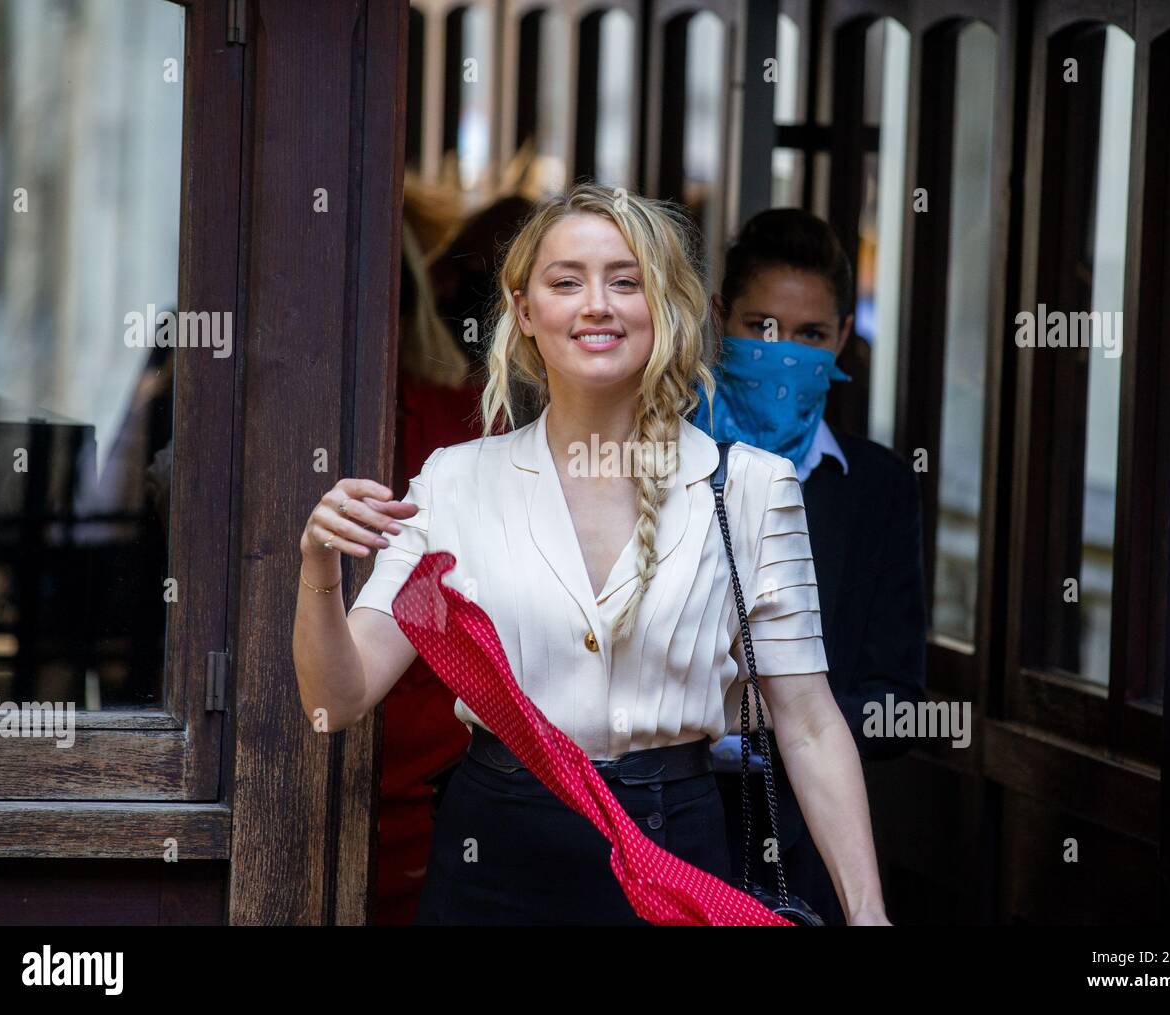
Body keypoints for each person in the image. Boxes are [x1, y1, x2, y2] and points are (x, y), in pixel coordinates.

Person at [291, 182, 889, 926]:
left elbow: (806, 721)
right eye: (566, 281)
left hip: (674, 854)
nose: (596, 304)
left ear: (666, 308)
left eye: (625, 281)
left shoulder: (752, 489)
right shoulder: (455, 480)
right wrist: (319, 567)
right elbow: (334, 701)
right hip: (495, 851)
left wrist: (868, 914)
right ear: (524, 312)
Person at [694, 206, 928, 925]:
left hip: (806, 854)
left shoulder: (881, 489)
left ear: (842, 339)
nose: (782, 353)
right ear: (718, 318)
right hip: (670, 829)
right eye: (761, 328)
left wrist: (779, 715)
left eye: (808, 336)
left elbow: (899, 708)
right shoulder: (655, 461)